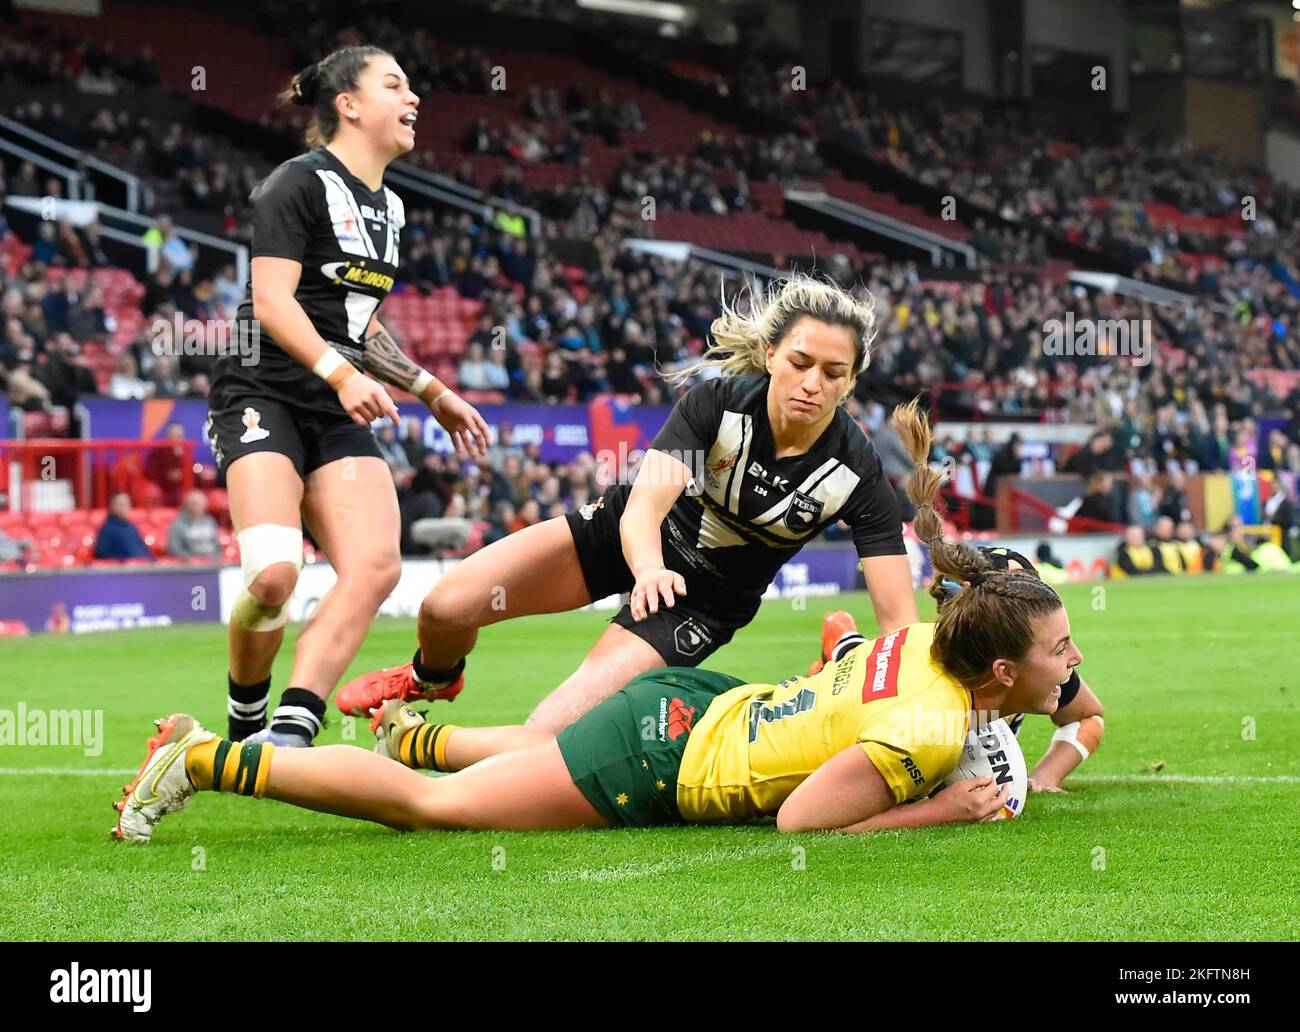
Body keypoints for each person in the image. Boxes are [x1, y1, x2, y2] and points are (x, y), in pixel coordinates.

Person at [113, 402, 1080, 842]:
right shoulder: (926, 718)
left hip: (697, 704)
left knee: (526, 748)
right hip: (658, 748)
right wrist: (941, 809)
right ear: (995, 675)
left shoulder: (919, 648)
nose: (1071, 665)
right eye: (1060, 650)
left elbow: (856, 640)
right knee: (437, 811)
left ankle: (417, 729)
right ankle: (199, 756)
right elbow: (804, 820)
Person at [336, 274, 921, 732]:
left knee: (549, 733)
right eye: (800, 362)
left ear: (849, 382)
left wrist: (919, 700)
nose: (812, 383)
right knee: (444, 608)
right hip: (629, 541)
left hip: (702, 600)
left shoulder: (856, 474)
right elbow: (644, 509)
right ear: (770, 355)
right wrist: (646, 568)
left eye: (833, 372)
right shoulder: (716, 406)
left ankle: (412, 743)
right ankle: (430, 678)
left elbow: (897, 621)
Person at [201, 45, 490, 748]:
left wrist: (430, 389)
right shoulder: (293, 184)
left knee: (377, 565)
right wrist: (341, 373)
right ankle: (245, 711)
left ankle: (294, 724)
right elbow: (270, 301)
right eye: (396, 83)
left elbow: (360, 321)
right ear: (349, 105)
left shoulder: (390, 206)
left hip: (337, 405)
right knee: (273, 575)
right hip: (260, 391)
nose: (414, 96)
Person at [94, 493, 152, 560]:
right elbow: (103, 555)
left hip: (144, 567)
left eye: (127, 504)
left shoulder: (132, 528)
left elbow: (144, 551)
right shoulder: (106, 530)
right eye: (121, 505)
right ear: (112, 507)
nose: (125, 508)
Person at [166, 490, 221, 559]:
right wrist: (192, 559)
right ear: (187, 504)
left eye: (199, 503)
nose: (197, 506)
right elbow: (174, 550)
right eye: (194, 503)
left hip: (212, 562)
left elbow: (217, 546)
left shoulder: (210, 521)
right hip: (190, 565)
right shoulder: (177, 525)